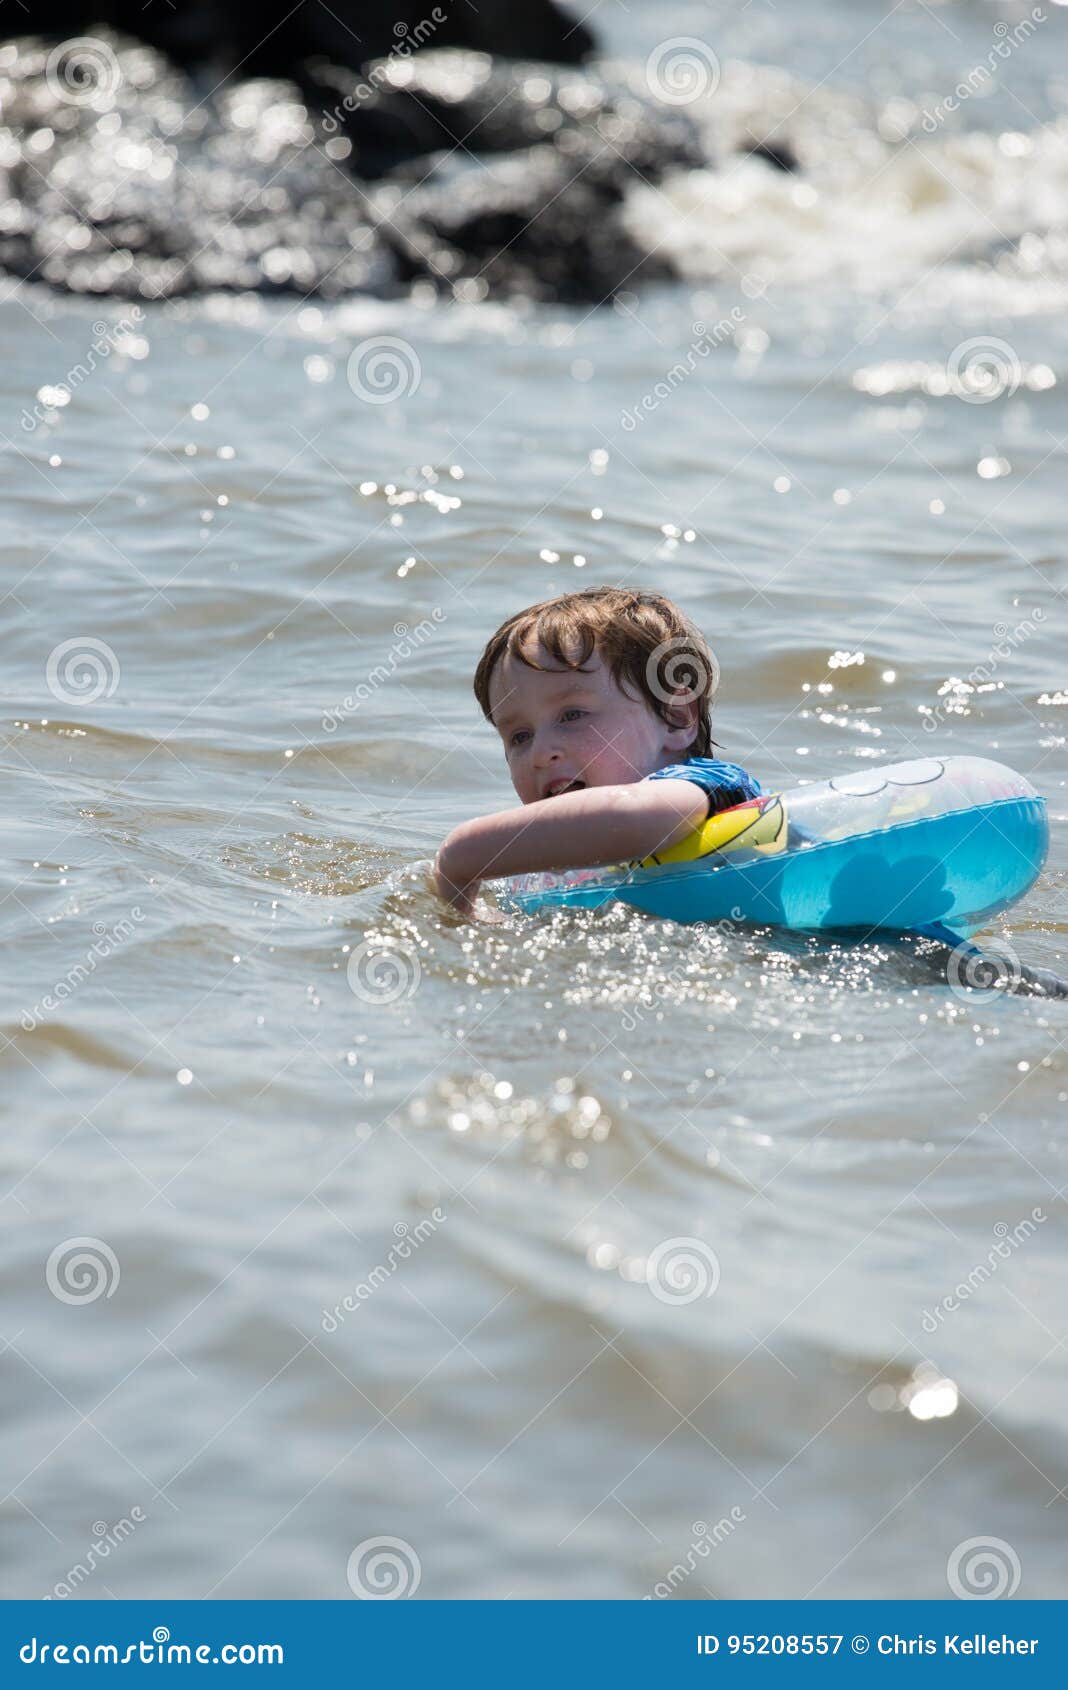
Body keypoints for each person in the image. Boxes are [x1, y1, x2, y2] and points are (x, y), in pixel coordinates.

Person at [433, 586, 759, 917]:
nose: (540, 753)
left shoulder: (705, 785)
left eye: (572, 715)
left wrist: (464, 851)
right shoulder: (546, 868)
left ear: (676, 718)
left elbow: (631, 818)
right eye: (519, 736)